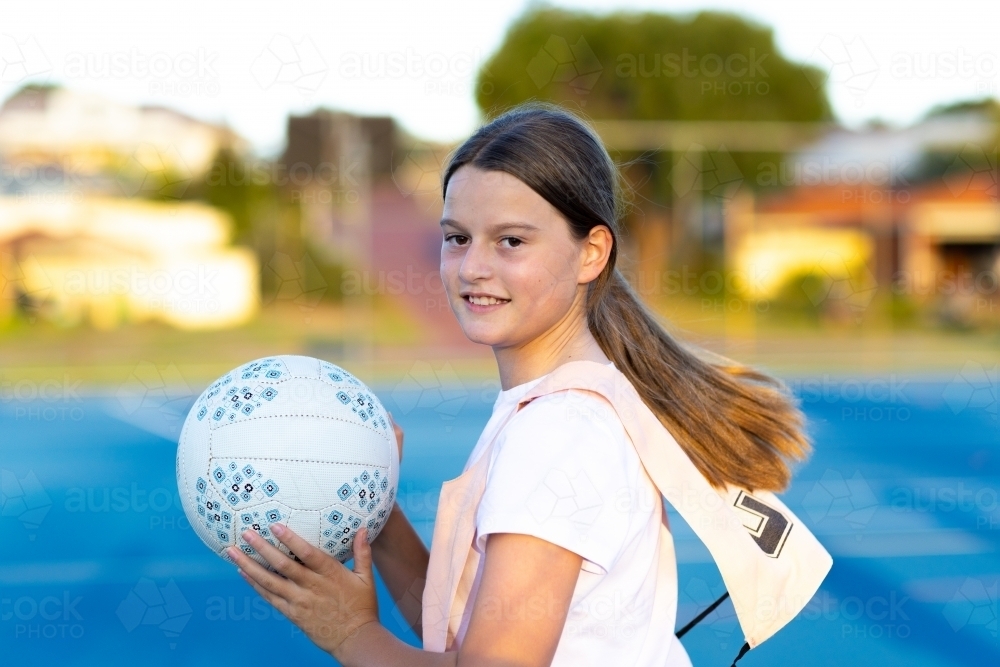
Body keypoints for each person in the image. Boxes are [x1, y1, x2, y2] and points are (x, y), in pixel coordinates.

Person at [228, 102, 814, 666]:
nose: (473, 266)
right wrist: (375, 511)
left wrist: (352, 634)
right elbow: (462, 634)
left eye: (511, 240)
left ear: (591, 253)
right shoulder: (561, 406)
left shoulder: (558, 433)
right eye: (457, 237)